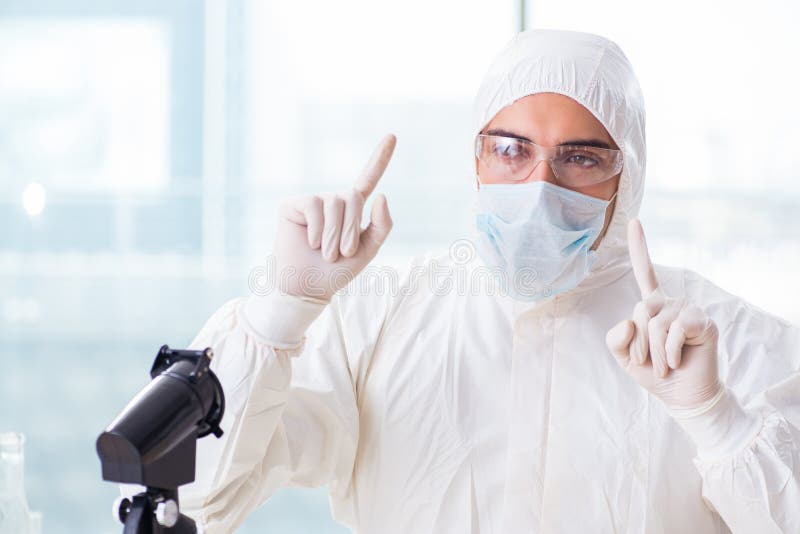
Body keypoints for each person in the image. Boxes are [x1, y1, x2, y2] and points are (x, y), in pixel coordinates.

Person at [179, 29, 800, 533]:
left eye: (581, 158)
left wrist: (716, 420)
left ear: (627, 176)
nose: (539, 186)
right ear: (476, 158)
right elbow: (199, 499)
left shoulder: (728, 344)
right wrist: (279, 311)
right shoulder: (378, 321)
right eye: (510, 149)